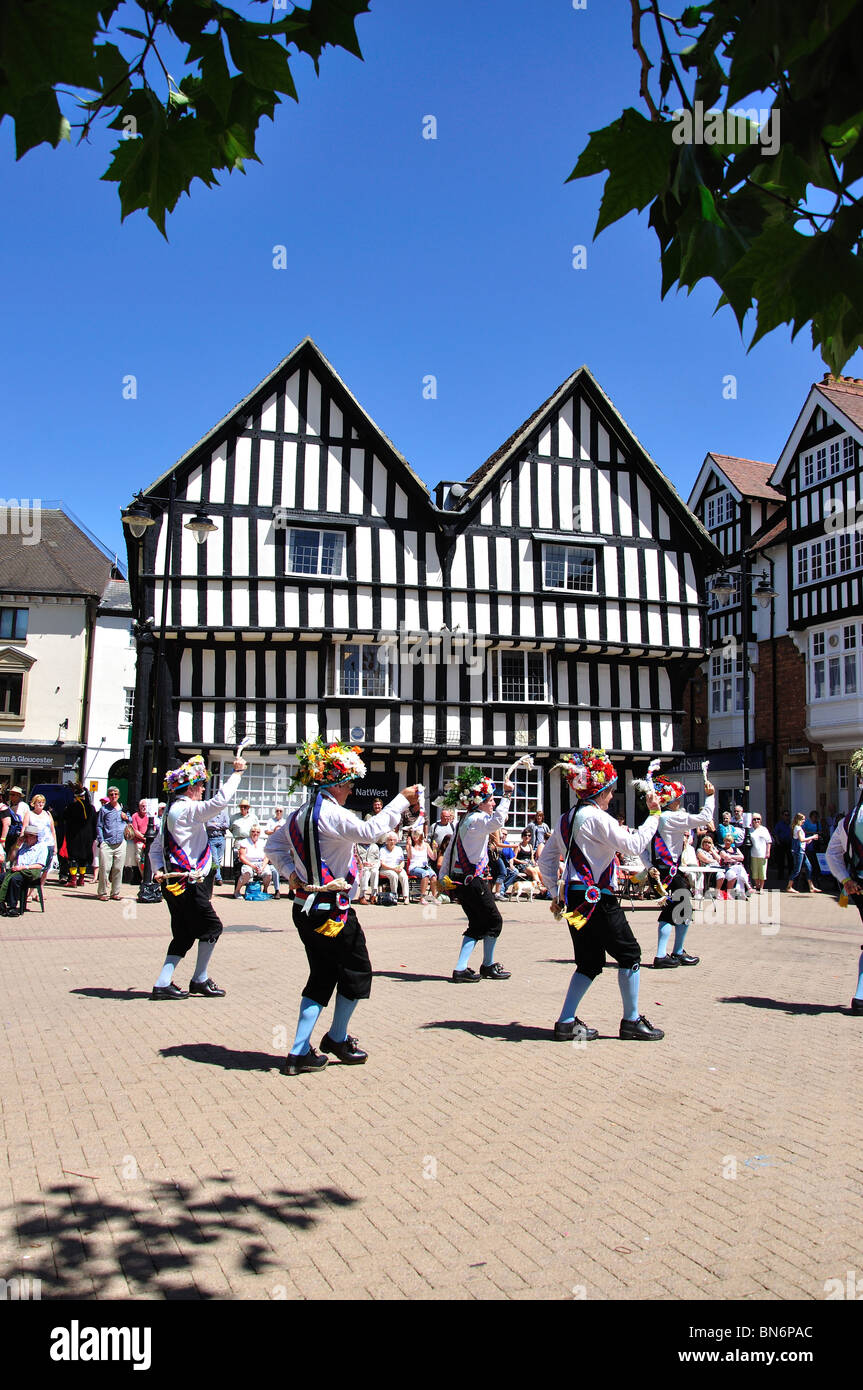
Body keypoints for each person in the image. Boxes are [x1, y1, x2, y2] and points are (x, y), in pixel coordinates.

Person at [265, 736, 420, 1075]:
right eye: (349, 782)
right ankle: (335, 1037)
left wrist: (291, 874)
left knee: (321, 975)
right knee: (357, 972)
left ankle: (298, 1052)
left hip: (304, 907)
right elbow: (370, 831)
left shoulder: (298, 814)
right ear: (335, 782)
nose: (351, 789)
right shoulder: (332, 814)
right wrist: (400, 801)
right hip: (332, 912)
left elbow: (272, 846)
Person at [538, 748, 664, 1042]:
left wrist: (554, 891)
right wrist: (654, 814)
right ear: (602, 790)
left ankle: (566, 1022)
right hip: (598, 899)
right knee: (630, 954)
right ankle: (631, 1022)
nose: (611, 797)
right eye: (610, 791)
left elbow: (546, 860)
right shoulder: (598, 818)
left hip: (572, 899)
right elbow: (633, 845)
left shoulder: (565, 818)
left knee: (589, 962)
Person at [148, 753, 248, 1000]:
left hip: (175, 882)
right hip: (189, 884)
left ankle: (162, 984)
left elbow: (155, 849)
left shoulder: (170, 810)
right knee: (213, 927)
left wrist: (158, 869)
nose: (203, 788)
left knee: (183, 934)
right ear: (191, 787)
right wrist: (237, 773)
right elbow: (218, 803)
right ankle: (199, 979)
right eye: (201, 785)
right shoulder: (186, 810)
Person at [438, 768, 514, 982]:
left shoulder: (464, 820)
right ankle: (488, 965)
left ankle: (461, 969)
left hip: (461, 880)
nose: (493, 803)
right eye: (491, 799)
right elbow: (498, 822)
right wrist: (507, 795)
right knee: (494, 921)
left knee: (477, 924)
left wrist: (443, 876)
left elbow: (451, 848)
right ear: (480, 802)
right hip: (473, 881)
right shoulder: (479, 819)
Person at [646, 774, 715, 969]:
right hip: (668, 871)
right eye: (678, 799)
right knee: (675, 911)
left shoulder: (655, 817)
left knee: (680, 909)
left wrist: (648, 866)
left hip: (660, 871)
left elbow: (642, 847)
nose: (679, 802)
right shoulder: (672, 817)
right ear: (673, 801)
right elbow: (705, 818)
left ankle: (677, 951)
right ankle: (663, 955)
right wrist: (710, 796)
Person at [825, 768, 863, 1015]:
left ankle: (861, 996)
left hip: (859, 885)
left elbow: (831, 853)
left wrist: (845, 879)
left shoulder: (849, 819)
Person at [0, 827, 51, 915]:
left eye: (29, 836)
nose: (26, 839)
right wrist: (17, 845)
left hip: (30, 872)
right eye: (25, 836)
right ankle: (1, 903)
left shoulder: (42, 847)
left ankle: (12, 906)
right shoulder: (23, 846)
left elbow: (39, 865)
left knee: (14, 879)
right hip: (18, 870)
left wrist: (23, 867)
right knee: (1, 877)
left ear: (35, 837)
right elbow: (11, 858)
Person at [95, 786, 131, 900]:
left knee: (118, 868)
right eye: (111, 794)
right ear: (108, 796)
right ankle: (102, 892)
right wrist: (101, 841)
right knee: (105, 868)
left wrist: (126, 818)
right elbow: (99, 826)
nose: (113, 796)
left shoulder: (123, 808)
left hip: (120, 842)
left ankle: (115, 892)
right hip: (107, 842)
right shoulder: (104, 809)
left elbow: (131, 820)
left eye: (115, 794)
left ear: (119, 795)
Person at [63, 782, 96, 887]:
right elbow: (95, 823)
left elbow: (65, 818)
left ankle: (73, 880)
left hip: (74, 836)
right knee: (84, 858)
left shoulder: (72, 807)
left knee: (73, 857)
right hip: (88, 837)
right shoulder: (91, 808)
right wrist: (94, 837)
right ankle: (81, 879)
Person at [236, 824, 274, 897]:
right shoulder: (244, 842)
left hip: (261, 863)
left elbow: (267, 857)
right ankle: (237, 891)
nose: (255, 833)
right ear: (250, 832)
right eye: (253, 831)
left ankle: (265, 890)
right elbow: (242, 857)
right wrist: (252, 866)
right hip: (248, 863)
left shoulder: (263, 842)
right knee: (247, 873)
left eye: (257, 832)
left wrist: (262, 867)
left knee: (268, 873)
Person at [788, 813, 820, 894]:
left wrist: (809, 840)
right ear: (799, 820)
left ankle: (811, 886)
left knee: (809, 867)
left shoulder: (800, 828)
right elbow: (801, 839)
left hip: (802, 850)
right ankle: (789, 886)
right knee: (797, 870)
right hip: (798, 851)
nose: (804, 821)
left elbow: (803, 840)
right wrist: (812, 837)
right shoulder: (797, 828)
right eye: (803, 819)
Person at [406, 826, 435, 903]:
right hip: (414, 867)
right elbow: (410, 857)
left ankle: (434, 897)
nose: (415, 837)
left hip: (424, 866)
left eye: (416, 835)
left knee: (433, 875)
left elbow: (433, 857)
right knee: (425, 874)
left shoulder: (426, 845)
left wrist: (435, 849)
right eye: (413, 835)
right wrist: (409, 845)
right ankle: (422, 898)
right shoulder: (410, 845)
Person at [379, 833, 409, 901]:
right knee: (394, 875)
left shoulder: (399, 849)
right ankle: (394, 896)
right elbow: (382, 864)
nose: (392, 841)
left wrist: (400, 867)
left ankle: (406, 896)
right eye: (390, 840)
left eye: (394, 840)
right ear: (386, 841)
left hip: (397, 868)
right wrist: (393, 869)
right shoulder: (382, 850)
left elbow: (402, 861)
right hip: (385, 869)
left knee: (404, 876)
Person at [205, 806, 229, 887]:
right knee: (215, 860)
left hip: (221, 838)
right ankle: (219, 878)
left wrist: (215, 825)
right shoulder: (209, 814)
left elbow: (227, 825)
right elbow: (208, 824)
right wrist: (220, 826)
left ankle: (213, 877)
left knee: (218, 860)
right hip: (212, 839)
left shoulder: (224, 813)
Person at [748, 814, 772, 892]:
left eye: (758, 819)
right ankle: (757, 886)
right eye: (754, 819)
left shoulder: (764, 829)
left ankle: (761, 888)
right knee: (754, 871)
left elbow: (769, 841)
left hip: (762, 854)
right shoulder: (750, 829)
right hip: (753, 853)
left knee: (762, 872)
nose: (756, 821)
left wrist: (768, 852)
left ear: (760, 820)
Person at [129, 799, 150, 880]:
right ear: (139, 807)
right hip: (139, 841)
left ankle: (149, 878)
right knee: (139, 859)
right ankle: (144, 878)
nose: (144, 808)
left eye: (145, 806)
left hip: (149, 840)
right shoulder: (135, 816)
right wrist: (143, 838)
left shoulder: (150, 815)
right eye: (142, 806)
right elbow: (135, 830)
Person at [772, 811, 793, 882]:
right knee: (781, 860)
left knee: (790, 859)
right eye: (785, 815)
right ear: (782, 816)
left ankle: (790, 875)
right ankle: (780, 875)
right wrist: (778, 842)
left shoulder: (791, 824)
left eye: (788, 815)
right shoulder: (779, 824)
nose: (787, 816)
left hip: (789, 843)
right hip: (781, 843)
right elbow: (775, 833)